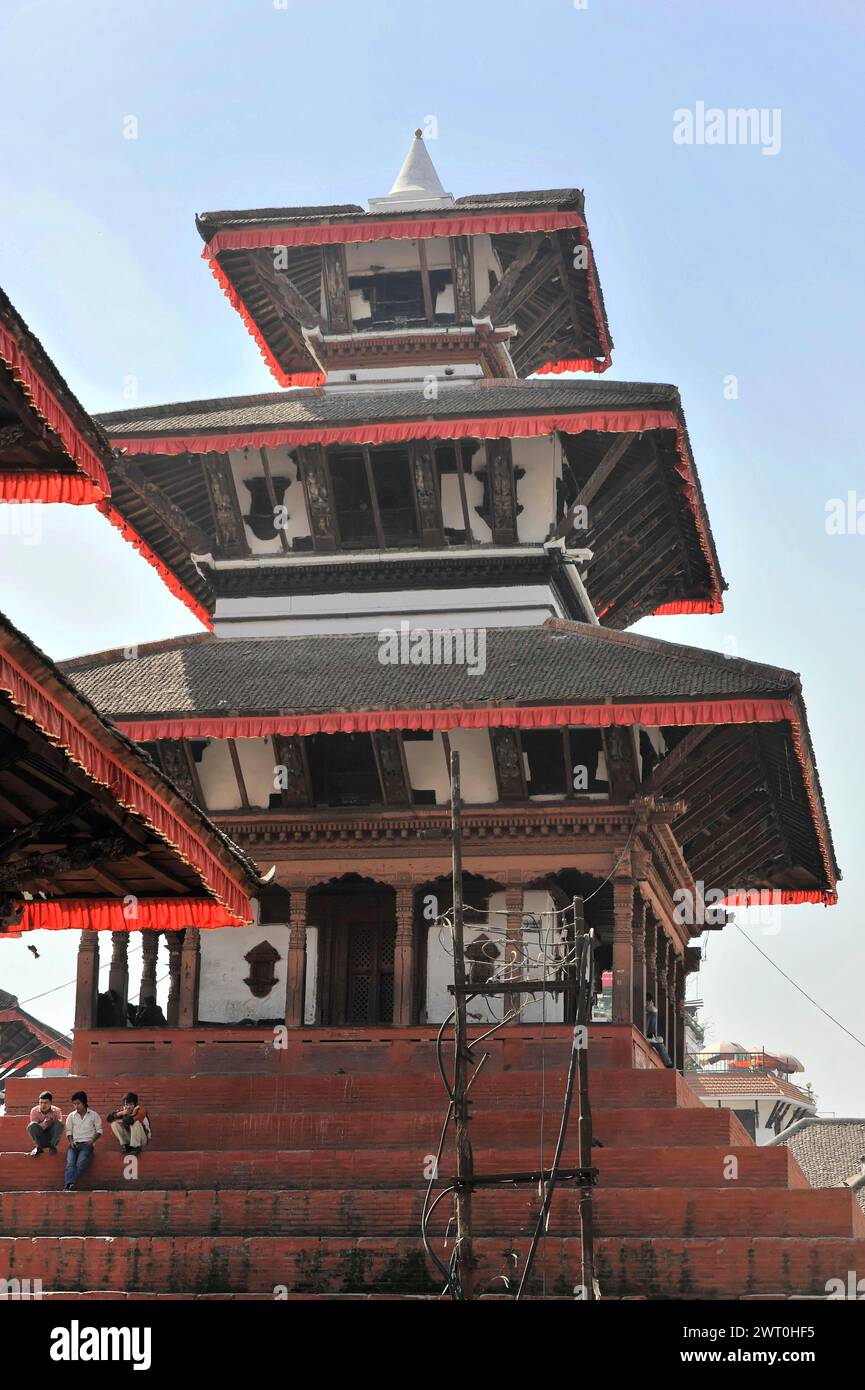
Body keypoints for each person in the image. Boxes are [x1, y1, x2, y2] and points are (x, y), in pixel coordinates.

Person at [64, 1091, 102, 1190]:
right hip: (74, 1144)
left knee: (80, 1163)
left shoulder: (94, 1115)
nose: (76, 1106)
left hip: (87, 1144)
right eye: (74, 1104)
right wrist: (71, 1142)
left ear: (84, 1103)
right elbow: (69, 1132)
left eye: (78, 1103)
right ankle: (70, 1184)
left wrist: (92, 1141)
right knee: (70, 1164)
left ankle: (69, 1184)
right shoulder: (71, 1116)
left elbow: (99, 1131)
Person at [27, 1091, 64, 1157]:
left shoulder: (57, 1111)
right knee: (31, 1125)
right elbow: (33, 1128)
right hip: (40, 1137)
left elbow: (59, 1128)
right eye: (41, 1103)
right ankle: (38, 1147)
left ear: (51, 1103)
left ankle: (52, 1147)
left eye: (46, 1103)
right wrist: (44, 1124)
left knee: (59, 1124)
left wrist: (52, 1122)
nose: (43, 1105)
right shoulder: (34, 1111)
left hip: (52, 1138)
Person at [645, 995, 674, 1068]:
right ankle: (651, 1035)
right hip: (643, 1029)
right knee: (653, 1015)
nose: (651, 1003)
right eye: (649, 1002)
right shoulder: (642, 1008)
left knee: (660, 1045)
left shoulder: (649, 1010)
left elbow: (655, 1009)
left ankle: (668, 1064)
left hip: (649, 1034)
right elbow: (654, 1010)